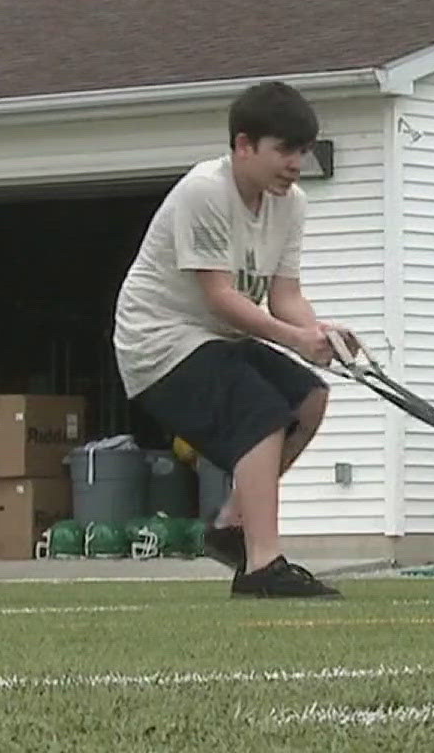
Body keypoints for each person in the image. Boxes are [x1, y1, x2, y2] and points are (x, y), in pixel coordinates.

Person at [112, 80, 351, 599]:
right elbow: (220, 296)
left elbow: (284, 295)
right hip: (158, 341)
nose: (296, 163)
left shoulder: (292, 205)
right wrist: (295, 339)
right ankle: (262, 566)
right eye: (284, 150)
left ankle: (231, 527)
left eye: (303, 152)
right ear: (244, 146)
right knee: (261, 415)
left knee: (309, 399)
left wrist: (318, 334)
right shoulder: (205, 190)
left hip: (217, 336)